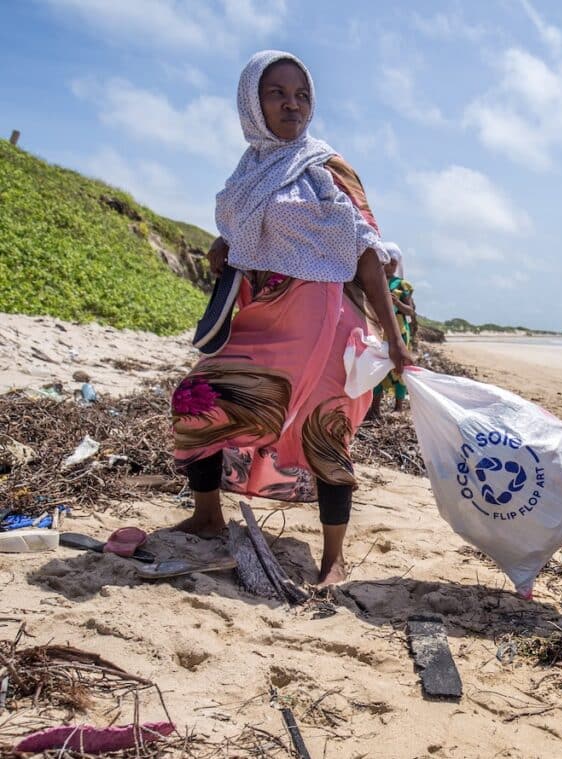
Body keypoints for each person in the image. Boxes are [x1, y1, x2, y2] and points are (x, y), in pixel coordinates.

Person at [170, 50, 413, 588]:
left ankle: (334, 558)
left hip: (329, 323)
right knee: (196, 398)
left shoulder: (329, 168)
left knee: (326, 431)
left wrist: (395, 341)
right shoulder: (249, 171)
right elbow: (249, 237)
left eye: (302, 94)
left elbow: (368, 253)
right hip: (265, 319)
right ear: (252, 103)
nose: (292, 104)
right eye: (277, 93)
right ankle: (209, 513)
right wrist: (224, 245)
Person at [367, 242, 415, 418]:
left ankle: (398, 407)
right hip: (379, 330)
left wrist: (397, 302)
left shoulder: (403, 285)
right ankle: (375, 408)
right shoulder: (374, 282)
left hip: (400, 330)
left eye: (394, 263)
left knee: (399, 366)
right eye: (387, 262)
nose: (390, 266)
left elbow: (410, 311)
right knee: (378, 365)